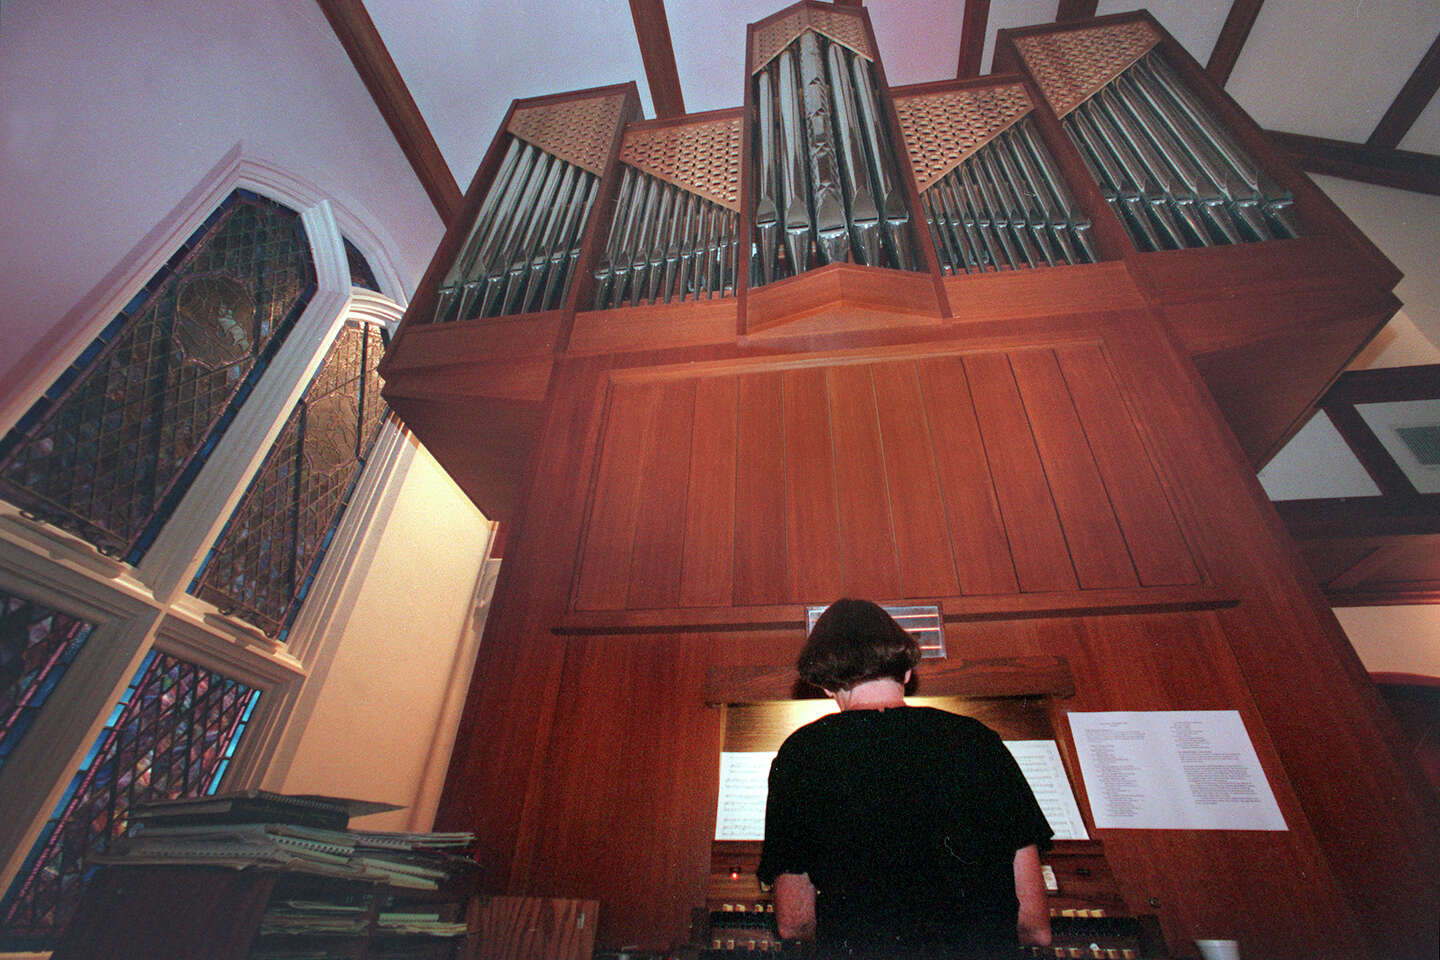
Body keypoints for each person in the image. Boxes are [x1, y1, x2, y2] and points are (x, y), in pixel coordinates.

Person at [756, 599, 1054, 959]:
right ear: (908, 674)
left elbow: (794, 923)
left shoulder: (801, 752)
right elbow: (1035, 925)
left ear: (826, 685)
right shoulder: (979, 739)